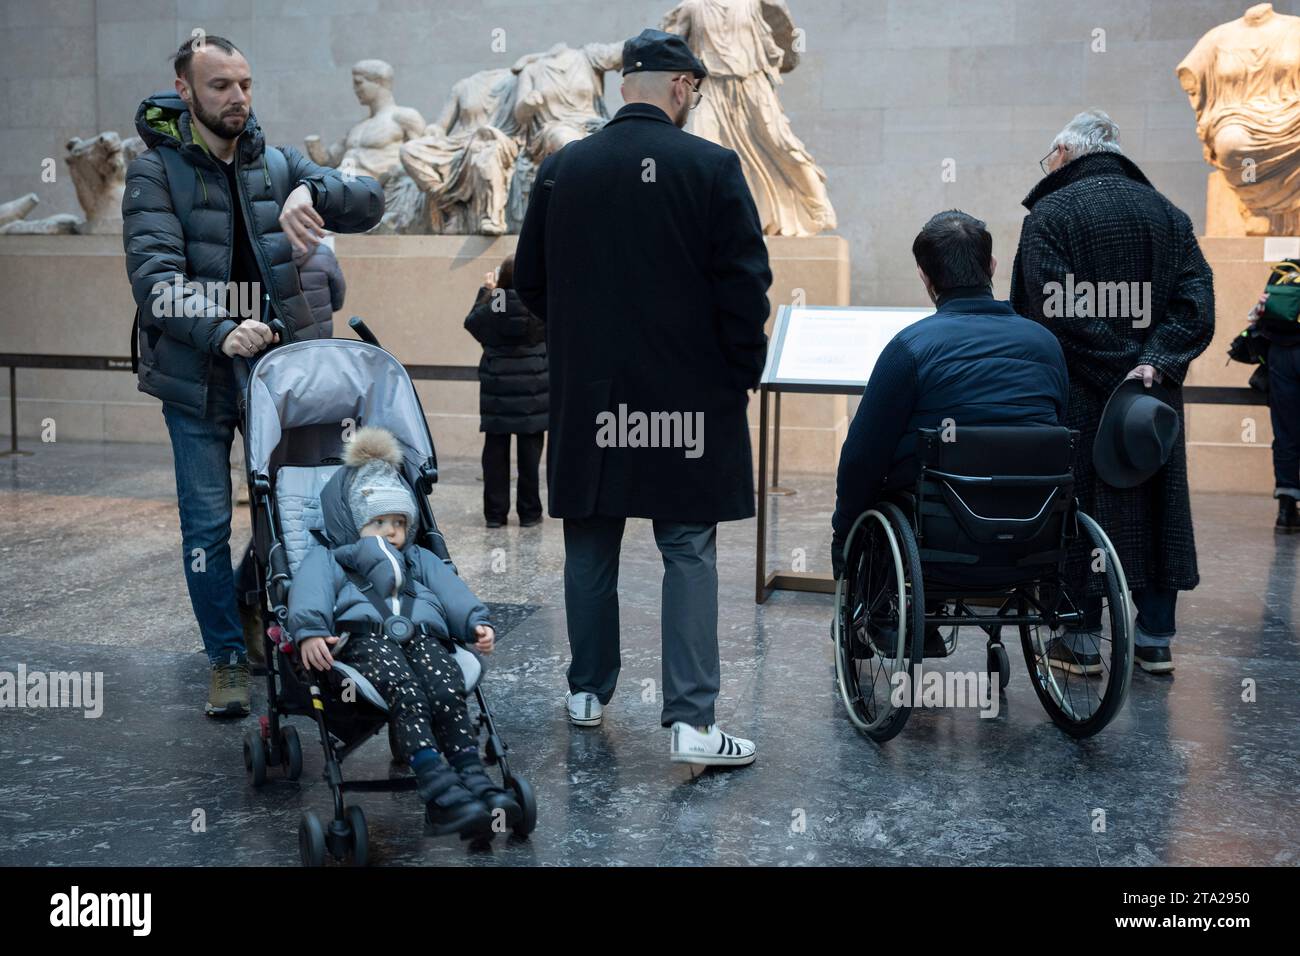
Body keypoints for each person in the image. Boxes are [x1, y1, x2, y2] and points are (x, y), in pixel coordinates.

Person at [514, 29, 771, 767]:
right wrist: (738, 373)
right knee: (687, 550)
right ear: (683, 87)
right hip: (686, 399)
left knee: (590, 543)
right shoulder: (713, 167)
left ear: (626, 85)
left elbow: (528, 279)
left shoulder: (563, 169)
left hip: (590, 399)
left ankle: (588, 694)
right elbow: (744, 289)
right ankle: (692, 723)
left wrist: (584, 339)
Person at [122, 36, 384, 716]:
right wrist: (220, 328)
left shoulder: (275, 162)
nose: (237, 96)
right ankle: (228, 660)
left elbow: (371, 198)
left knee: (286, 514)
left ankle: (261, 614)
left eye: (244, 83)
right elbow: (156, 280)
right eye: (220, 86)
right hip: (197, 377)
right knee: (207, 526)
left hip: (280, 379)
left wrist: (313, 188)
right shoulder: (154, 173)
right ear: (185, 90)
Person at [1010, 109, 1215, 675]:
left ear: (1066, 153)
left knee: (1079, 509)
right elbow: (1197, 305)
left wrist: (1111, 364)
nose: (1048, 166)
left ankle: (1078, 640)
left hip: (1081, 390)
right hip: (1152, 399)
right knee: (1158, 504)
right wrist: (1152, 362)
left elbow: (1049, 309)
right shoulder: (1169, 214)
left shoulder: (1050, 214)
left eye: (1050, 156)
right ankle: (1155, 639)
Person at [831, 211, 1068, 654]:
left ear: (925, 277)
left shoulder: (910, 348)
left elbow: (862, 455)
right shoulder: (1045, 344)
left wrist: (843, 535)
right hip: (1033, 528)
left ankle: (879, 613)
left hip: (938, 536)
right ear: (992, 267)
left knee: (884, 486)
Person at [286, 426, 520, 837]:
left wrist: (474, 620)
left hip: (425, 638)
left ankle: (472, 776)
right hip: (364, 640)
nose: (392, 531)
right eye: (379, 522)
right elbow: (309, 595)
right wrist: (309, 630)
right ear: (353, 521)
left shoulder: (418, 558)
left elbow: (451, 590)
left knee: (447, 688)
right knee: (407, 689)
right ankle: (436, 781)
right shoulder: (332, 559)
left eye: (399, 522)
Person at [230, 240, 346, 508]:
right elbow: (338, 298)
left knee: (260, 412)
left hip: (276, 349)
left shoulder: (266, 252)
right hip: (315, 348)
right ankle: (305, 472)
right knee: (306, 414)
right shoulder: (323, 254)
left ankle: (252, 476)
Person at [463, 254, 547, 528]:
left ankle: (496, 515)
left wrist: (487, 291)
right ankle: (530, 513)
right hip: (533, 392)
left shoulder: (497, 301)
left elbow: (473, 323)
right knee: (530, 458)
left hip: (498, 391)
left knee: (496, 457)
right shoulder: (537, 301)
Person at [1245, 260, 1300, 532]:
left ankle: (1286, 510)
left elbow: (1255, 317)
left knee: (1286, 432)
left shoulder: (1286, 272)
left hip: (1282, 357)